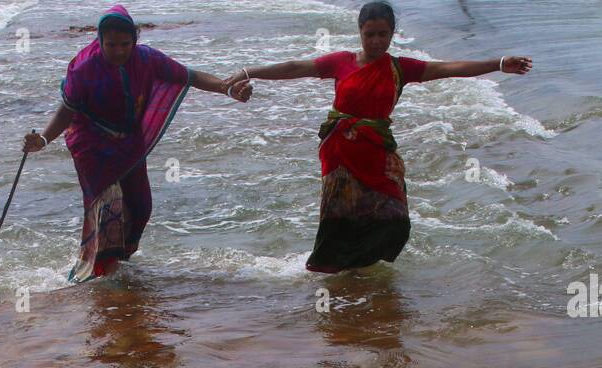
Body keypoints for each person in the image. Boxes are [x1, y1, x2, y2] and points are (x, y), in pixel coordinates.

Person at [224, 2, 532, 273]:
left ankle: (360, 269)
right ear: (359, 32)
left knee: (395, 221)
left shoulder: (400, 68)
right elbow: (296, 67)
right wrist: (249, 71)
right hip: (340, 151)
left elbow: (448, 68)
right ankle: (331, 275)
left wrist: (498, 64)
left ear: (392, 34)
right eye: (369, 34)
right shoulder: (341, 62)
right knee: (340, 217)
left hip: (377, 151)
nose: (376, 41)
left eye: (382, 34)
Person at [23, 5, 250, 283]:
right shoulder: (84, 69)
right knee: (109, 208)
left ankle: (118, 263)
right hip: (91, 144)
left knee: (141, 207)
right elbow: (64, 113)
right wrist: (44, 139)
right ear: (99, 40)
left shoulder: (147, 59)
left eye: (125, 44)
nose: (118, 51)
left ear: (135, 40)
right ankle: (102, 281)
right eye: (111, 45)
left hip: (129, 142)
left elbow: (191, 76)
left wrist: (228, 88)